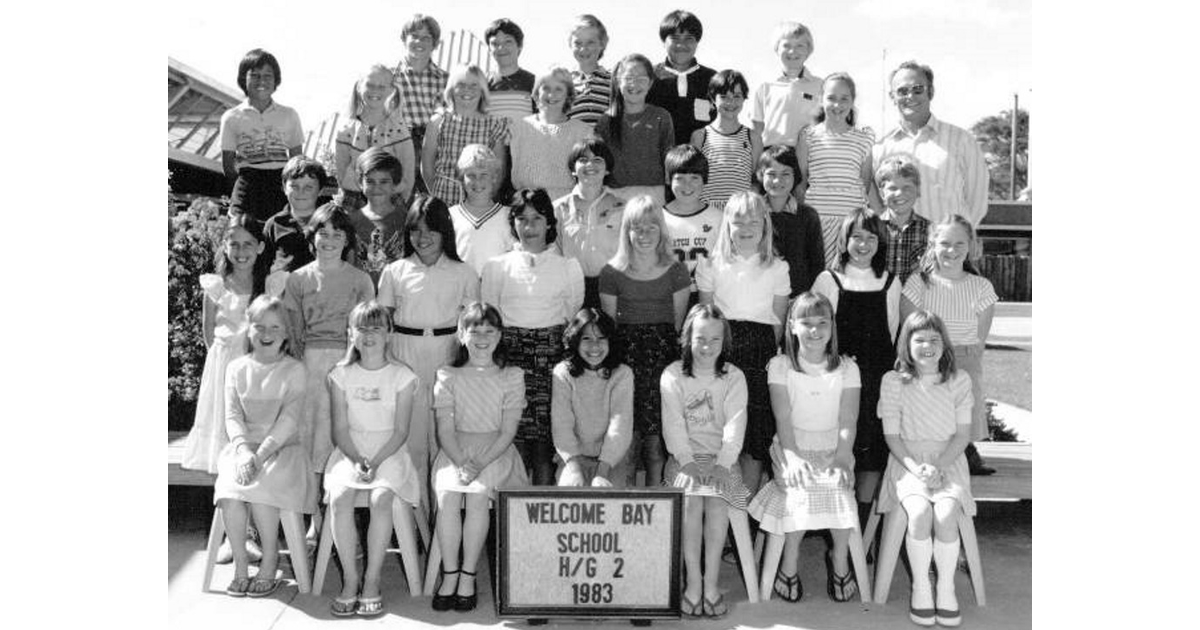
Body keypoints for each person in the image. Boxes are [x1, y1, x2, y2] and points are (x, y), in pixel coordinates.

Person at [747, 292, 861, 604]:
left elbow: (848, 417)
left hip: (834, 445)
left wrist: (842, 454)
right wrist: (793, 457)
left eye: (822, 323)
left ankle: (839, 558)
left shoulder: (847, 368)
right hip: (791, 443)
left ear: (832, 327)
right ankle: (789, 560)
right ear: (792, 327)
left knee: (839, 489)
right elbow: (783, 416)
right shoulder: (781, 365)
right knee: (798, 491)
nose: (814, 330)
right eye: (806, 323)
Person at [376, 194, 480, 511]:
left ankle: (443, 516)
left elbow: (473, 325)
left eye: (431, 230)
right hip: (404, 354)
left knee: (443, 437)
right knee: (409, 440)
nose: (423, 238)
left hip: (447, 353)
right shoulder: (395, 271)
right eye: (415, 230)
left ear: (444, 232)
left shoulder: (463, 273)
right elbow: (381, 322)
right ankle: (411, 516)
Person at [877, 310, 977, 628]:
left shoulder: (959, 380)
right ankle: (922, 586)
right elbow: (892, 436)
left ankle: (945, 588)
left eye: (935, 339)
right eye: (919, 339)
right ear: (906, 345)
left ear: (945, 345)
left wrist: (939, 467)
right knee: (919, 513)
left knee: (946, 515)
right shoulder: (893, 382)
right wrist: (917, 468)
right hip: (906, 462)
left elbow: (962, 435)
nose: (927, 346)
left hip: (949, 460)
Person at [281, 204, 376, 531]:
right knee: (311, 439)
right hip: (310, 364)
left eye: (337, 233)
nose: (330, 239)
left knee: (342, 436)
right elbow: (292, 330)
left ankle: (344, 515)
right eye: (323, 232)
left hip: (347, 363)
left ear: (348, 239)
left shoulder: (360, 280)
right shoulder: (298, 279)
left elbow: (367, 331)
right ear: (312, 236)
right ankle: (314, 518)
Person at [481, 189, 585, 484]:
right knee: (510, 444)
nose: (529, 227)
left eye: (537, 219)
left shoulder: (568, 267)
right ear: (512, 223)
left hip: (550, 362)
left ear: (549, 223)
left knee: (543, 449)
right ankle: (506, 521)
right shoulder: (496, 267)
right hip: (510, 360)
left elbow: (570, 314)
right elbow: (491, 318)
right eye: (521, 219)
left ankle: (539, 522)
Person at [430, 302, 529, 612]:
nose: (482, 338)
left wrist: (479, 465)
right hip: (455, 452)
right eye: (474, 331)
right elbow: (445, 430)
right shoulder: (447, 374)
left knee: (476, 496)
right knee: (447, 495)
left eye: (490, 331)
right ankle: (450, 572)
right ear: (461, 335)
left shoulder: (511, 376)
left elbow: (507, 431)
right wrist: (462, 463)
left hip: (495, 454)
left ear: (500, 336)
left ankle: (468, 574)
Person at [325, 301, 420, 617]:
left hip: (389, 451)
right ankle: (350, 580)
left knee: (381, 499)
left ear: (389, 334)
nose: (369, 335)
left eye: (377, 327)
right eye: (362, 328)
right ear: (350, 334)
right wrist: (355, 460)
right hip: (350, 450)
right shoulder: (340, 375)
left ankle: (372, 579)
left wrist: (375, 462)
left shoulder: (402, 376)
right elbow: (340, 429)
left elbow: (401, 431)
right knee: (340, 497)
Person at [695, 191, 791, 497]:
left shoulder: (778, 268)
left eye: (754, 220)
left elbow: (777, 323)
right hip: (724, 350)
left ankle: (743, 508)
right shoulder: (711, 264)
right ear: (727, 225)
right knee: (721, 431)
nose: (746, 227)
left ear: (765, 225)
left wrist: (759, 351)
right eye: (739, 221)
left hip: (760, 353)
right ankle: (719, 508)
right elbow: (707, 316)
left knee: (753, 438)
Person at [214, 295, 310, 598]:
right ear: (248, 329)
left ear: (286, 333)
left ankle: (269, 561)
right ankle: (241, 565)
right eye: (259, 327)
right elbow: (232, 415)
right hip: (244, 448)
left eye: (275, 327)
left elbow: (290, 419)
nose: (266, 334)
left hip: (283, 449)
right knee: (230, 490)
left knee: (262, 488)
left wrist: (260, 454)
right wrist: (243, 451)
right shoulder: (237, 368)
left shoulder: (294, 369)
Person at [811, 208, 901, 525]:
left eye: (871, 237)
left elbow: (891, 332)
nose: (863, 244)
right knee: (836, 450)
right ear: (845, 240)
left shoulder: (891, 283)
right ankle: (832, 518)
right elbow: (818, 335)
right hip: (837, 381)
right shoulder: (829, 279)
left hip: (876, 383)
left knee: (871, 460)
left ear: (881, 243)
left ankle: (860, 529)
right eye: (857, 237)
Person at [660, 304, 749, 619]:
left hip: (723, 459)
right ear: (687, 338)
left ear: (724, 341)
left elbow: (735, 425)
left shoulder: (733, 377)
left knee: (717, 503)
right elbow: (673, 424)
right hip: (683, 458)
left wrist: (723, 464)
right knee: (690, 502)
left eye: (714, 339)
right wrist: (686, 462)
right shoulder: (673, 374)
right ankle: (692, 584)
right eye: (700, 339)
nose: (707, 347)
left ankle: (711, 584)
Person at [598, 197, 691, 486]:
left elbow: (677, 324)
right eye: (637, 228)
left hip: (662, 361)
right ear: (626, 231)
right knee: (625, 445)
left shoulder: (677, 271)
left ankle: (657, 516)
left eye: (652, 228)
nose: (645, 235)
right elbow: (609, 326)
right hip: (625, 360)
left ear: (662, 231)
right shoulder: (611, 273)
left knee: (655, 447)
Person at [900, 215, 997, 476]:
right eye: (944, 243)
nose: (951, 251)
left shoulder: (981, 286)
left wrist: (964, 355)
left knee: (966, 405)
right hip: (927, 358)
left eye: (959, 244)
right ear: (933, 244)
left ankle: (965, 450)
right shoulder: (918, 282)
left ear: (970, 247)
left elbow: (980, 334)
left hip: (964, 354)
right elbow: (909, 328)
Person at [183, 215, 271, 475]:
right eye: (234, 244)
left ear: (260, 247)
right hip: (223, 360)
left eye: (248, 244)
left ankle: (252, 459)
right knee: (224, 411)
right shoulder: (216, 285)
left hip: (255, 361)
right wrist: (218, 357)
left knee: (250, 413)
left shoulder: (268, 283)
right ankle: (222, 463)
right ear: (224, 246)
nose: (241, 252)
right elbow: (208, 327)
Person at [873, 60, 989, 227]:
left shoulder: (962, 141)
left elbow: (977, 202)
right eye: (902, 91)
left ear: (931, 92)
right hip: (897, 249)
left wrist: (959, 241)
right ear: (892, 97)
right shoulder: (880, 148)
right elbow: (876, 202)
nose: (910, 96)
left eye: (918, 89)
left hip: (947, 250)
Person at [797, 72, 881, 267]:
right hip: (818, 218)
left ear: (852, 101)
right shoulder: (808, 136)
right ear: (821, 99)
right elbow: (800, 184)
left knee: (847, 277)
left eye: (844, 99)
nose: (837, 105)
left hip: (851, 222)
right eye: (831, 98)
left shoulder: (863, 138)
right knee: (819, 277)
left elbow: (865, 184)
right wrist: (806, 220)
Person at [550, 308, 634, 487]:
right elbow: (561, 425)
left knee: (610, 503)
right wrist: (573, 469)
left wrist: (602, 472)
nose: (594, 347)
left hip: (611, 461)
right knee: (569, 496)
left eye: (601, 339)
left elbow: (619, 426)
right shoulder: (562, 373)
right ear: (575, 341)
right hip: (572, 459)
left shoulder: (623, 374)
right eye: (586, 339)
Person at [220, 48, 304, 221]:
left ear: (276, 81)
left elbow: (297, 162)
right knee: (242, 237)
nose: (262, 81)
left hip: (279, 186)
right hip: (247, 186)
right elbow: (228, 166)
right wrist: (246, 183)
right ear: (244, 79)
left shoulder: (289, 114)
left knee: (278, 239)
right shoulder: (231, 117)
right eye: (255, 75)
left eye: (267, 76)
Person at [421, 64, 511, 207]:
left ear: (482, 91)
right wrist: (437, 195)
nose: (467, 90)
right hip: (443, 197)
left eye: (474, 85)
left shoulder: (494, 124)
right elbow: (427, 165)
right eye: (461, 84)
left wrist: (484, 197)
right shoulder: (439, 120)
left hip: (479, 198)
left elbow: (499, 170)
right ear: (451, 89)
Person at [554, 137, 625, 308]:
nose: (590, 165)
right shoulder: (558, 208)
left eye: (597, 160)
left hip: (613, 288)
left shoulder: (623, 207)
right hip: (571, 288)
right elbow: (554, 252)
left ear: (607, 169)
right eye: (583, 160)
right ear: (573, 169)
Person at [595, 53, 675, 204]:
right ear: (618, 82)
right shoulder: (606, 121)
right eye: (628, 78)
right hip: (615, 196)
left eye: (641, 79)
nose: (634, 84)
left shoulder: (661, 116)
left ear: (650, 83)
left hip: (654, 194)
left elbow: (669, 160)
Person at [334, 64, 416, 210]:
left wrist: (398, 205)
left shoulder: (399, 129)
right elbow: (341, 174)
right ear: (359, 87)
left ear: (391, 90)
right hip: (354, 201)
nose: (375, 91)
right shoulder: (346, 130)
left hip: (389, 202)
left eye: (381, 87)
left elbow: (408, 176)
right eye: (370, 85)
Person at [509, 66, 593, 202]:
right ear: (536, 93)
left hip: (568, 206)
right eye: (546, 88)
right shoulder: (518, 128)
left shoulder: (583, 132)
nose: (551, 95)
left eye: (558, 89)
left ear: (568, 95)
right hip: (526, 205)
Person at [755, 145, 825, 296]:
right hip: (761, 296)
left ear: (796, 176)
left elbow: (817, 264)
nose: (777, 180)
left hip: (798, 297)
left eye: (786, 174)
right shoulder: (753, 213)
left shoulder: (808, 216)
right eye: (771, 174)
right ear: (761, 175)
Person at [392, 14, 449, 194]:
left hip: (435, 147)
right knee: (401, 204)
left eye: (426, 38)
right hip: (400, 145)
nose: (419, 42)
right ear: (404, 39)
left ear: (435, 44)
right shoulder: (388, 77)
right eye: (414, 36)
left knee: (433, 204)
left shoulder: (446, 80)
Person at [691, 69, 761, 208]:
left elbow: (756, 180)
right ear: (712, 98)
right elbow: (693, 179)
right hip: (708, 213)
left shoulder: (753, 137)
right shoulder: (700, 136)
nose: (731, 102)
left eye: (737, 96)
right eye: (724, 96)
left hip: (740, 214)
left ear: (744, 98)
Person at [661, 144, 723, 301]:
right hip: (668, 296)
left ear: (705, 179)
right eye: (680, 178)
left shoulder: (718, 218)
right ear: (668, 179)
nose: (687, 185)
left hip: (707, 295)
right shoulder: (658, 217)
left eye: (694, 178)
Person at [647, 10, 716, 145]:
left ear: (697, 42)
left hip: (700, 160)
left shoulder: (712, 79)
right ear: (663, 41)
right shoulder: (649, 76)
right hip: (656, 158)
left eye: (689, 39)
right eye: (675, 38)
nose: (681, 45)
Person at [750, 22, 822, 148]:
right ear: (777, 48)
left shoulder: (821, 86)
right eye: (786, 45)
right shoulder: (765, 86)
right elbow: (756, 128)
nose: (792, 51)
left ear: (809, 50)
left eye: (800, 45)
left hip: (808, 157)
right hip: (773, 158)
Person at [447, 144, 514, 275]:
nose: (477, 181)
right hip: (460, 290)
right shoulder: (450, 215)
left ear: (494, 177)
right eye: (471, 175)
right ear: (462, 178)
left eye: (484, 174)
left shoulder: (508, 215)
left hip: (496, 290)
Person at [346, 148, 408, 284]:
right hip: (362, 297)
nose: (376, 187)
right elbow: (349, 264)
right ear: (360, 183)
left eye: (384, 181)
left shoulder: (406, 219)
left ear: (395, 184)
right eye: (370, 181)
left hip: (396, 294)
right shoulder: (351, 221)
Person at [263, 156, 327, 272]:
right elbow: (263, 265)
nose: (300, 192)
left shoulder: (329, 222)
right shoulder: (274, 224)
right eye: (294, 186)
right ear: (284, 187)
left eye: (308, 187)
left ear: (320, 190)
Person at [876, 157, 931, 285]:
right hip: (880, 300)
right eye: (892, 188)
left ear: (918, 191)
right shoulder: (871, 228)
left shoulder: (930, 231)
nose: (899, 193)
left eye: (907, 187)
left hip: (917, 301)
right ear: (882, 193)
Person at [565, 14, 613, 127]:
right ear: (570, 45)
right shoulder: (564, 83)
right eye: (578, 43)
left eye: (590, 42)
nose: (583, 49)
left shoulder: (613, 81)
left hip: (604, 143)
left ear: (602, 44)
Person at [484, 18, 536, 122]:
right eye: (495, 43)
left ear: (519, 46)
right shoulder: (483, 83)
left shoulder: (534, 82)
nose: (501, 47)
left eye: (508, 41)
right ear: (489, 49)